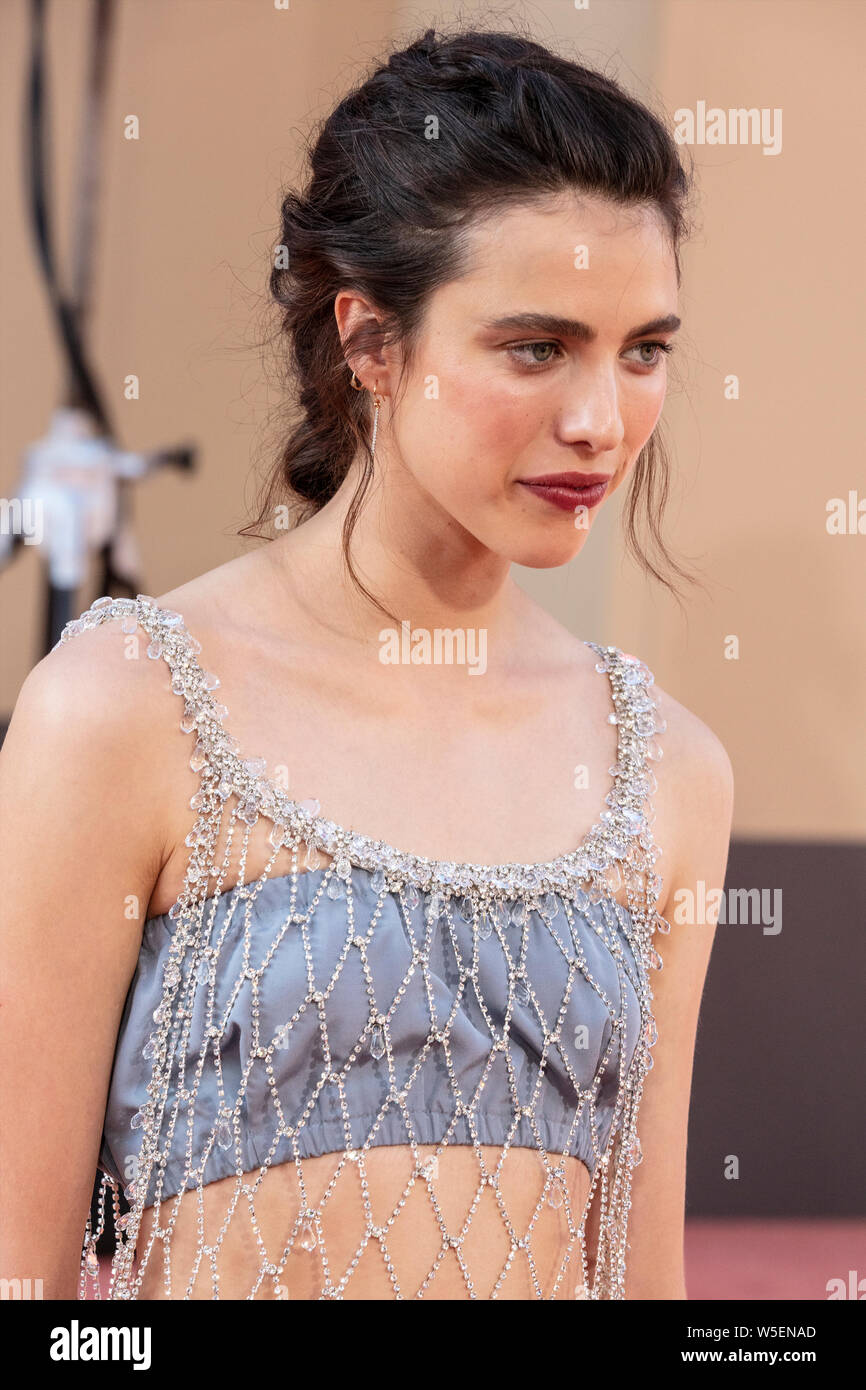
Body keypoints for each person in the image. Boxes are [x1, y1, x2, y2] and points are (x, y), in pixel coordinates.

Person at [0, 25, 733, 1300]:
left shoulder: (668, 765)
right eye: (533, 346)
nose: (598, 420)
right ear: (371, 343)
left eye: (642, 350)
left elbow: (646, 1285)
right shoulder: (126, 705)